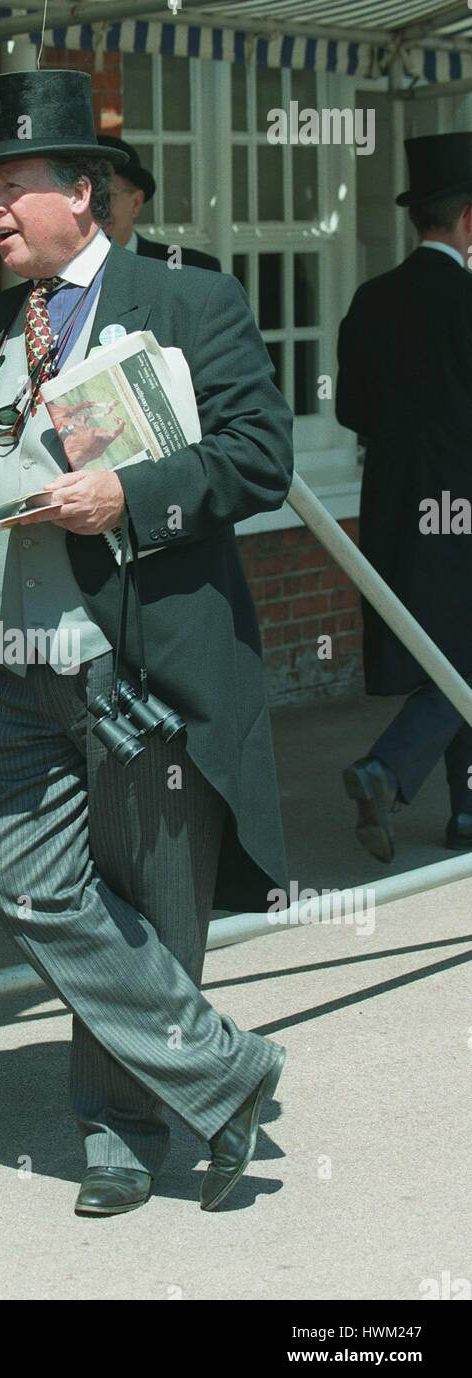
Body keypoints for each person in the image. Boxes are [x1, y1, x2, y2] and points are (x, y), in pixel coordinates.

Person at [0, 69, 293, 1216]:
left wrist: (131, 497)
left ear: (82, 194)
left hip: (142, 663)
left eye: (12, 186)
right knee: (24, 876)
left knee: (149, 894)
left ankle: (118, 1131)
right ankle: (221, 1068)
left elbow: (257, 457)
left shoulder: (186, 299)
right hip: (11, 663)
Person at [336, 132, 472, 863]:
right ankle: (386, 769)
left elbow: (350, 410)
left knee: (448, 650)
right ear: (468, 220)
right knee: (461, 657)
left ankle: (464, 812)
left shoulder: (370, 298)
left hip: (391, 504)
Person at [97, 133, 222, 272]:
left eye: (104, 196)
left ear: (135, 203)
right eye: (78, 197)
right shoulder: (68, 271)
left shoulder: (192, 270)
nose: (89, 209)